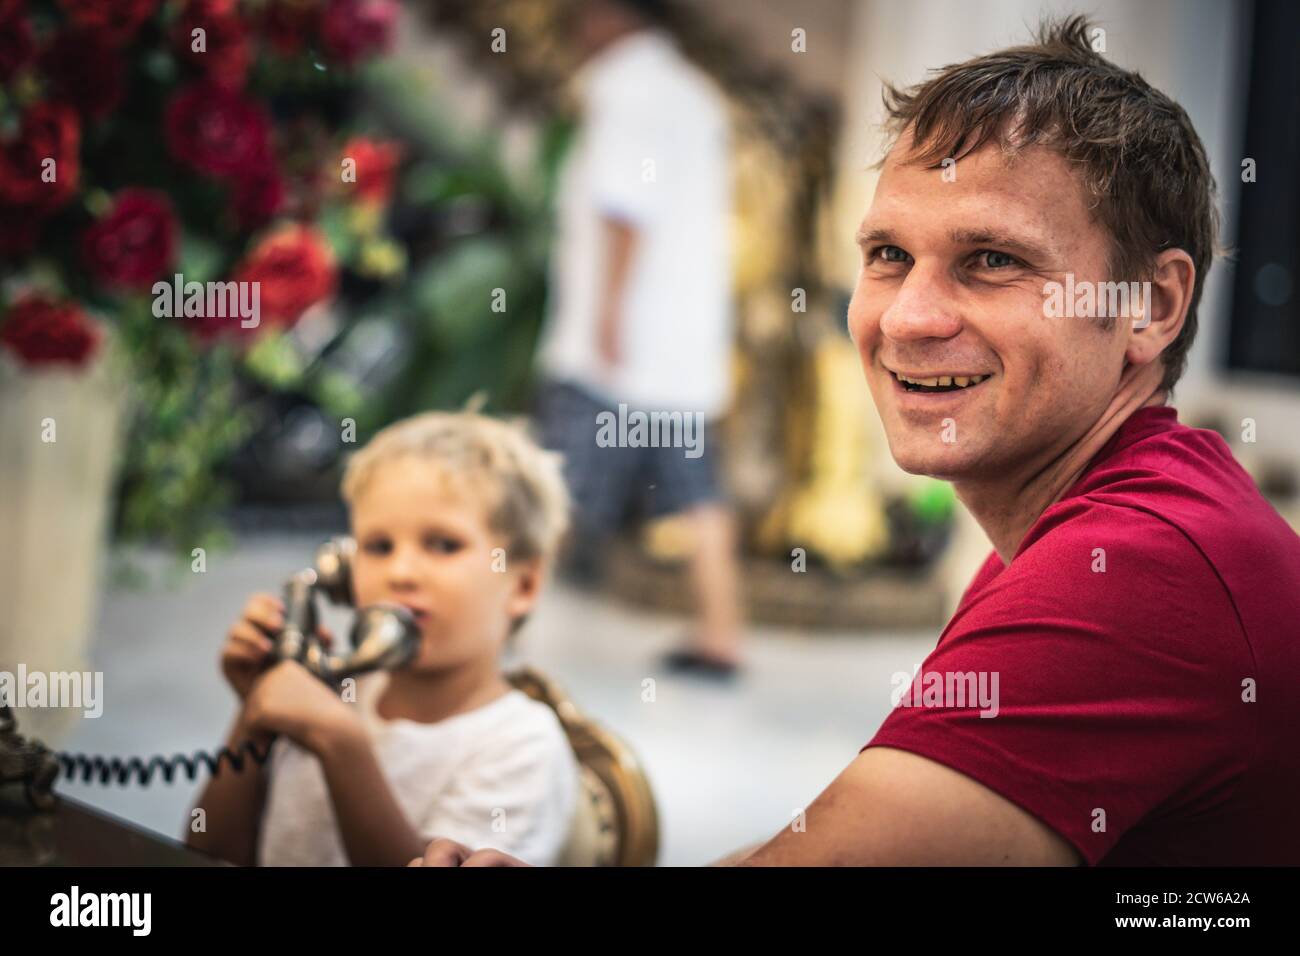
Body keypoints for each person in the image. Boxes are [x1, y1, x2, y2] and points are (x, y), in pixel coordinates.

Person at [412, 16, 1300, 867]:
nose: (908, 318)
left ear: (1148, 305)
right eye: (887, 255)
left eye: (993, 259)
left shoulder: (1137, 572)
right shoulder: (1090, 521)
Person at [188, 411, 579, 866]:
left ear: (524, 585)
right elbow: (207, 853)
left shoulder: (522, 747)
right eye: (378, 546)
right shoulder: (329, 691)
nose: (401, 572)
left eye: (443, 544)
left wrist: (340, 744)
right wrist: (253, 710)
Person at [533, 0, 744, 676]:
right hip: (678, 342)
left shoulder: (626, 88)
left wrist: (609, 313)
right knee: (696, 486)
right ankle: (721, 634)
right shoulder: (692, 89)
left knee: (546, 485)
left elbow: (626, 207)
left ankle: (494, 617)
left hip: (623, 339)